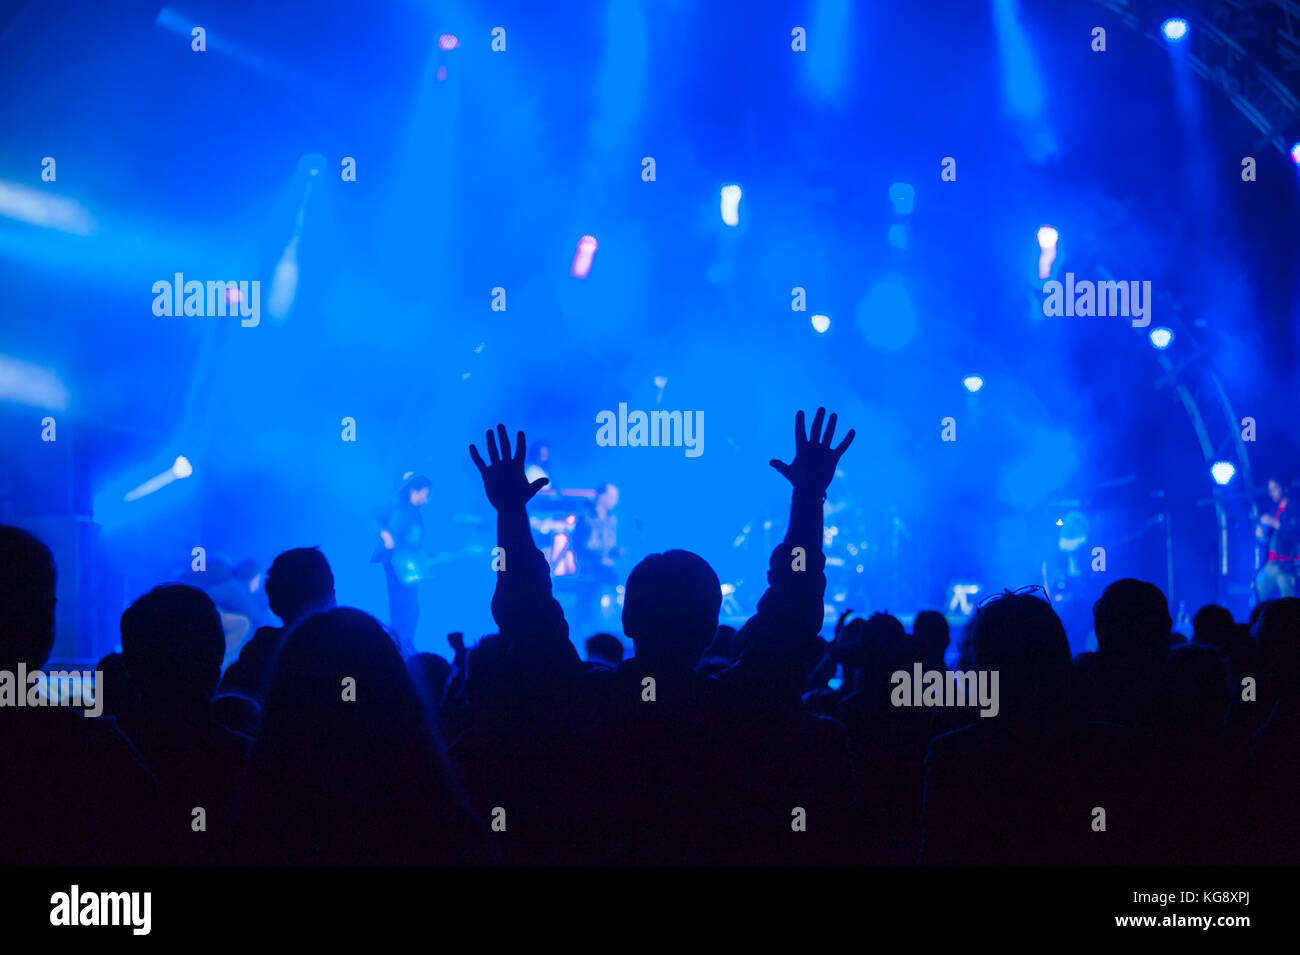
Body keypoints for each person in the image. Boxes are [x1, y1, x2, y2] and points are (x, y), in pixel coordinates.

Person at [220, 546, 336, 703]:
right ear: (331, 594)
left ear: (273, 600)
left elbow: (230, 703)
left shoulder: (258, 653)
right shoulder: (356, 649)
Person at [372, 474, 432, 650]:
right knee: (405, 609)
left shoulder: (412, 510)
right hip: (399, 565)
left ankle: (402, 645)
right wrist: (386, 535)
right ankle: (401, 647)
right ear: (414, 491)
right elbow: (376, 517)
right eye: (425, 493)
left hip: (405, 564)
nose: (426, 499)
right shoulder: (400, 508)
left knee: (408, 608)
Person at [1255, 477, 1296, 601]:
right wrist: (1261, 534)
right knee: (1257, 598)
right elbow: (1268, 540)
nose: (1271, 493)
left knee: (1288, 604)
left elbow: (1295, 534)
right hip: (1269, 564)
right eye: (1270, 490)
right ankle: (1257, 619)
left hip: (1286, 565)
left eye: (1274, 489)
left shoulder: (1295, 508)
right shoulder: (1273, 510)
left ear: (1285, 489)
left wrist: (1275, 523)